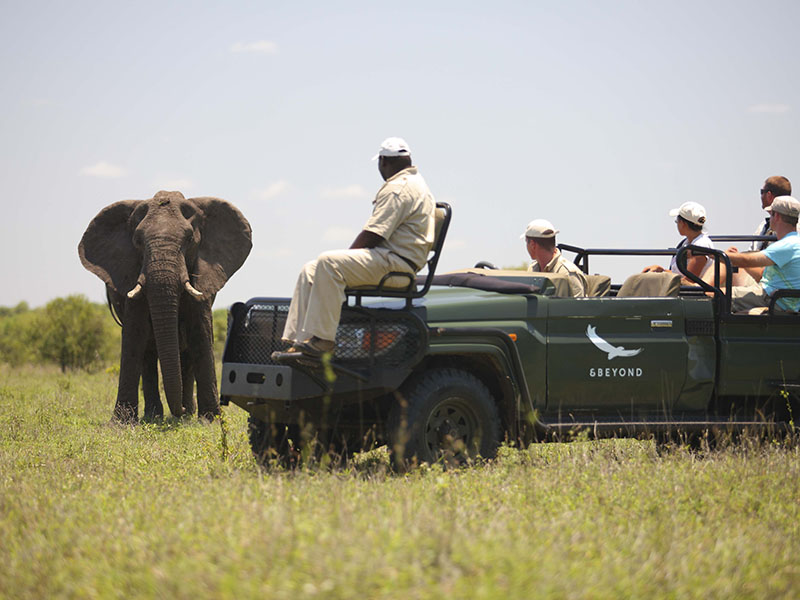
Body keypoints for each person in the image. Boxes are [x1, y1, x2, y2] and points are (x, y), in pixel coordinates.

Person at [282, 137, 435, 357]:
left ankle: (323, 341)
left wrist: (345, 259)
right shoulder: (416, 183)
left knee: (328, 262)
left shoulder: (398, 188)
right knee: (311, 269)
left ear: (383, 161)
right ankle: (300, 341)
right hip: (391, 260)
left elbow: (374, 233)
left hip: (397, 265)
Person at [703, 196, 800, 313]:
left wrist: (716, 254)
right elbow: (760, 273)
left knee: (711, 297)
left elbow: (748, 260)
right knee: (716, 294)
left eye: (771, 214)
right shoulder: (793, 242)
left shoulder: (787, 245)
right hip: (774, 297)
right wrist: (736, 256)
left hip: (772, 299)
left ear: (777, 216)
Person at [642, 201, 714, 283]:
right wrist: (662, 271)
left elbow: (689, 281)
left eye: (677, 221)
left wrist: (661, 277)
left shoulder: (701, 245)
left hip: (689, 293)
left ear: (683, 223)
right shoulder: (687, 243)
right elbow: (680, 276)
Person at [522, 219, 587, 297]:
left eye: (526, 242)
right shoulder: (532, 269)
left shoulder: (568, 274)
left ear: (532, 245)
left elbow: (579, 307)